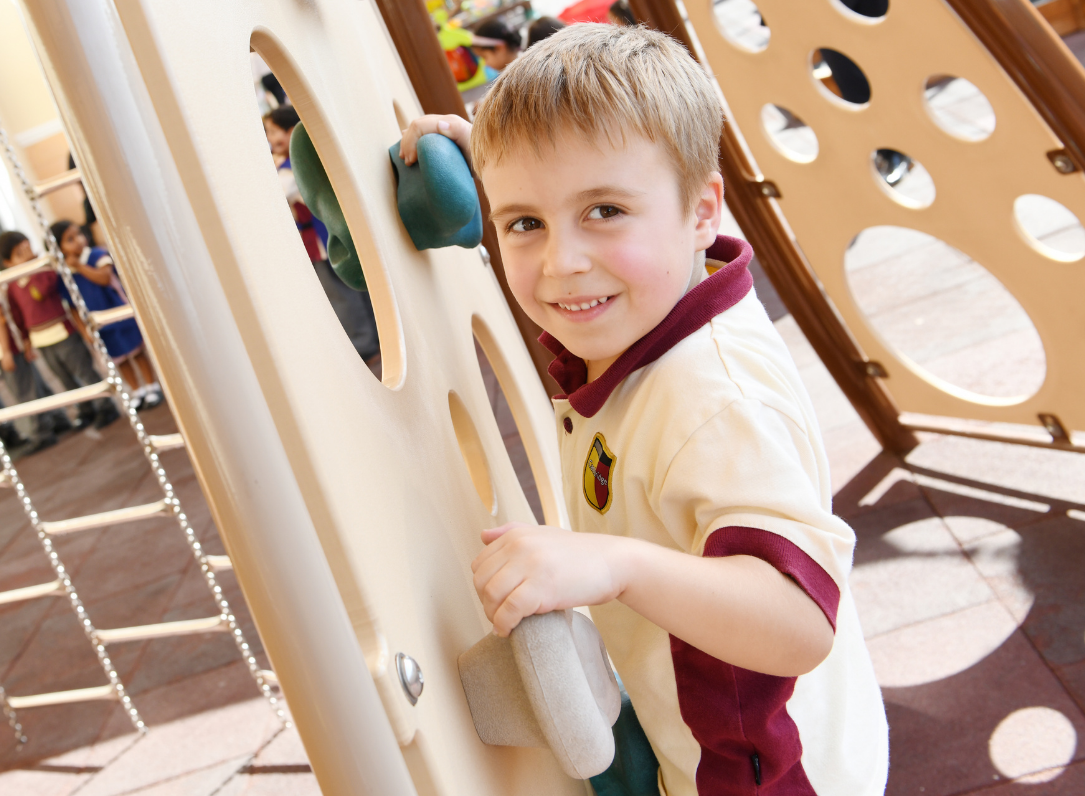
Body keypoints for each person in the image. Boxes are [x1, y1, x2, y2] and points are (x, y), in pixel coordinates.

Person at [400, 24, 887, 796]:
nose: (562, 261)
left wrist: (615, 565)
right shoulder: (661, 300)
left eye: (603, 212)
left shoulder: (709, 397)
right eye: (524, 221)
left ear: (701, 214)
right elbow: (586, 197)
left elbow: (797, 623)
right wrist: (484, 153)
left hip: (762, 775)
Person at [263, 106, 380, 363]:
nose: (270, 139)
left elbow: (278, 197)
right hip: (333, 231)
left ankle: (364, 344)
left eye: (273, 132)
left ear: (291, 132)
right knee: (357, 287)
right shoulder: (308, 158)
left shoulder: (288, 168)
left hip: (320, 238)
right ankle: (376, 337)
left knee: (340, 292)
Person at [0, 231, 119, 430]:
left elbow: (43, 291)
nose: (28, 254)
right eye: (20, 253)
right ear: (8, 263)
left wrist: (33, 266)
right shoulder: (12, 287)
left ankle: (105, 406)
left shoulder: (44, 272)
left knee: (83, 370)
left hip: (64, 333)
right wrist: (26, 341)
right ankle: (85, 410)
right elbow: (18, 316)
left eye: (28, 247)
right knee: (63, 378)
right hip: (41, 340)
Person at [49, 220, 163, 410]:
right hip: (98, 323)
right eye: (69, 239)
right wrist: (84, 329)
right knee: (120, 357)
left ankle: (152, 385)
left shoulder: (97, 254)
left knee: (136, 351)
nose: (78, 240)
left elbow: (103, 278)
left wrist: (79, 265)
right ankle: (137, 390)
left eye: (78, 234)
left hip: (117, 312)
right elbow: (72, 305)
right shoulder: (65, 273)